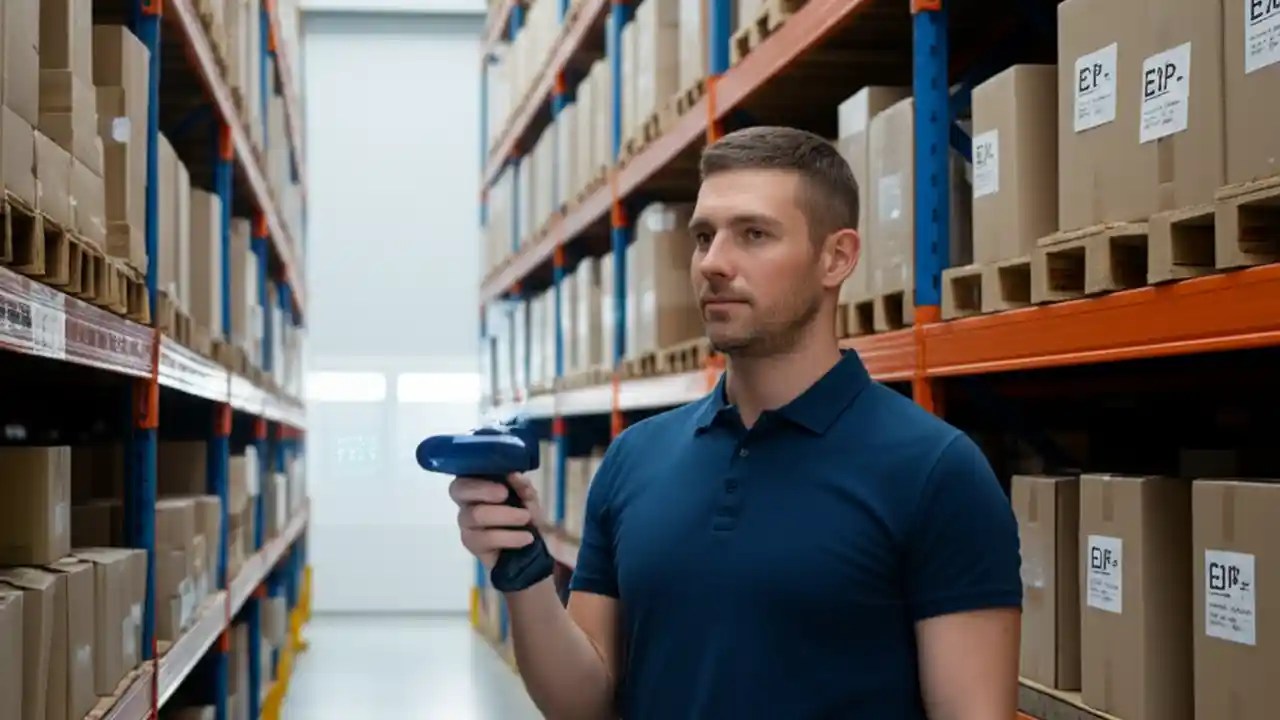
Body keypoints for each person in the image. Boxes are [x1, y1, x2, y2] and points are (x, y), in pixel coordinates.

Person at [450, 126, 1022, 719]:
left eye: (753, 234)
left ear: (837, 257)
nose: (713, 263)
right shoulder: (634, 458)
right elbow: (582, 704)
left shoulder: (935, 472)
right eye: (704, 237)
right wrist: (525, 572)